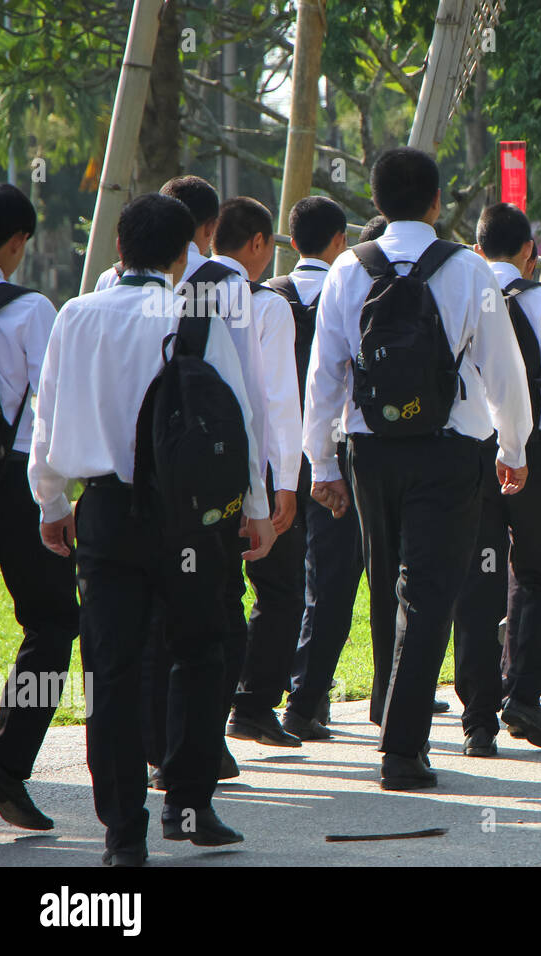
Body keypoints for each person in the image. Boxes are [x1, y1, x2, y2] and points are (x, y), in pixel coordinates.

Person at [29, 192, 275, 865]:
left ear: (117, 249)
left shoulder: (75, 316)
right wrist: (255, 509)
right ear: (183, 254)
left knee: (110, 670)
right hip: (191, 520)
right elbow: (239, 420)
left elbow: (46, 423)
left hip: (105, 514)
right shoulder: (197, 316)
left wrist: (52, 506)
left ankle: (122, 836)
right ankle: (189, 806)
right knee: (199, 652)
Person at [303, 147, 532, 790]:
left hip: (370, 447)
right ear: (436, 203)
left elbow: (325, 375)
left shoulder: (347, 269)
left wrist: (321, 461)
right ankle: (403, 749)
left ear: (375, 204)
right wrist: (513, 449)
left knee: (386, 582)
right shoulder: (470, 271)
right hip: (451, 446)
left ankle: (389, 711)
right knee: (429, 591)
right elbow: (504, 372)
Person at [453, 201, 541, 755]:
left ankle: (477, 719)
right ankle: (525, 695)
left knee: (475, 583)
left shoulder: (461, 292)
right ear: (530, 252)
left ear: (478, 249)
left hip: (470, 455)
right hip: (532, 456)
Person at [0, 183, 81, 832]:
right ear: (18, 241)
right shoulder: (30, 311)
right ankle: (8, 761)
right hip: (14, 490)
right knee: (52, 626)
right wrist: (58, 499)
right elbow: (49, 418)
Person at [210, 198, 306, 749]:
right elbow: (276, 401)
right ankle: (253, 704)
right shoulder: (266, 305)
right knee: (280, 590)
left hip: (196, 470)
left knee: (216, 593)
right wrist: (285, 483)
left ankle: (206, 719)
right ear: (259, 245)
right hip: (259, 468)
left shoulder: (183, 292)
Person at [265, 196, 359, 741]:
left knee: (270, 583)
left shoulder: (266, 296)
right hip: (330, 455)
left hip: (271, 457)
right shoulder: (345, 292)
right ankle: (305, 699)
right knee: (329, 582)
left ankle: (255, 691)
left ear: (290, 240)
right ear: (339, 239)